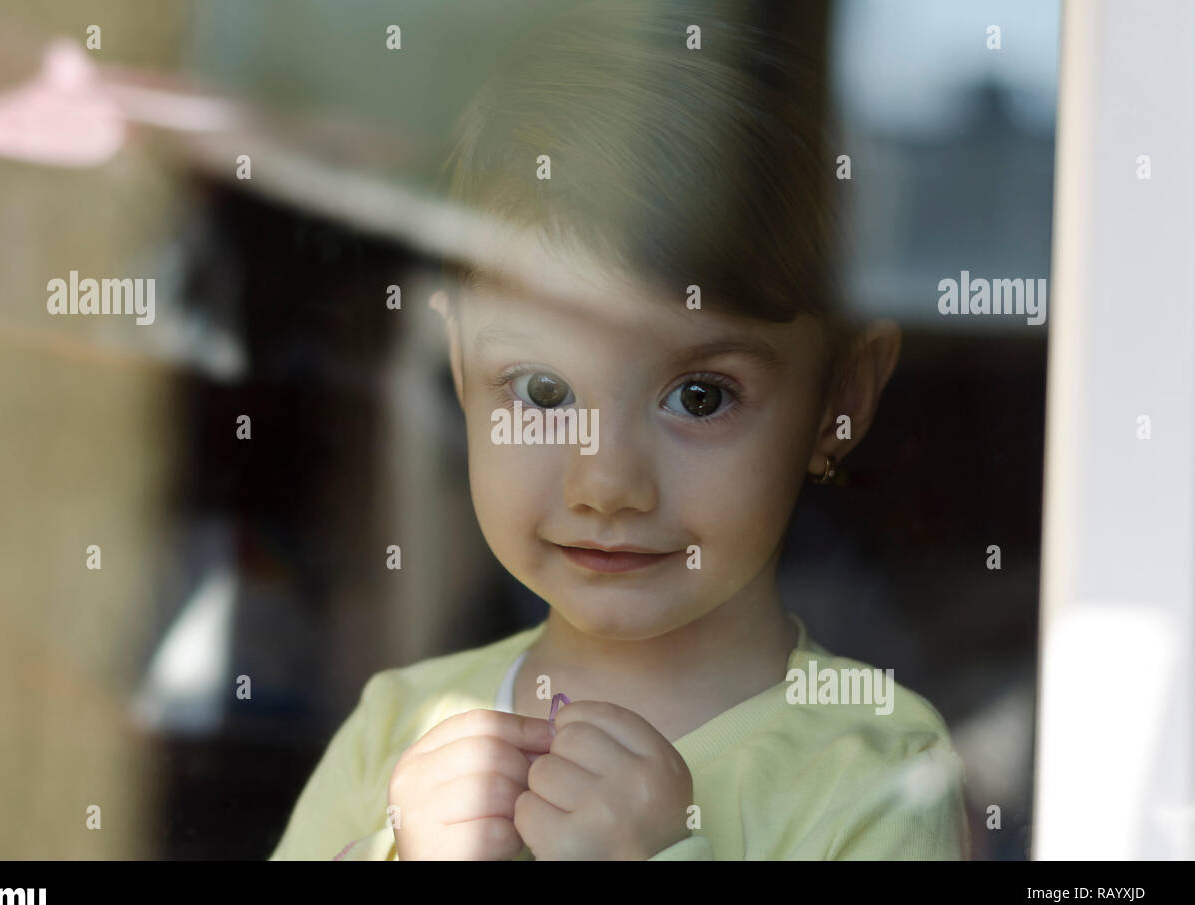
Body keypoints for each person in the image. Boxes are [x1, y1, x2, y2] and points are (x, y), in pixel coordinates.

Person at [271, 0, 970, 860]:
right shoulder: (400, 727)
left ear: (844, 396)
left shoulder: (874, 767)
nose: (605, 482)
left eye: (701, 397)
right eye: (540, 389)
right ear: (460, 369)